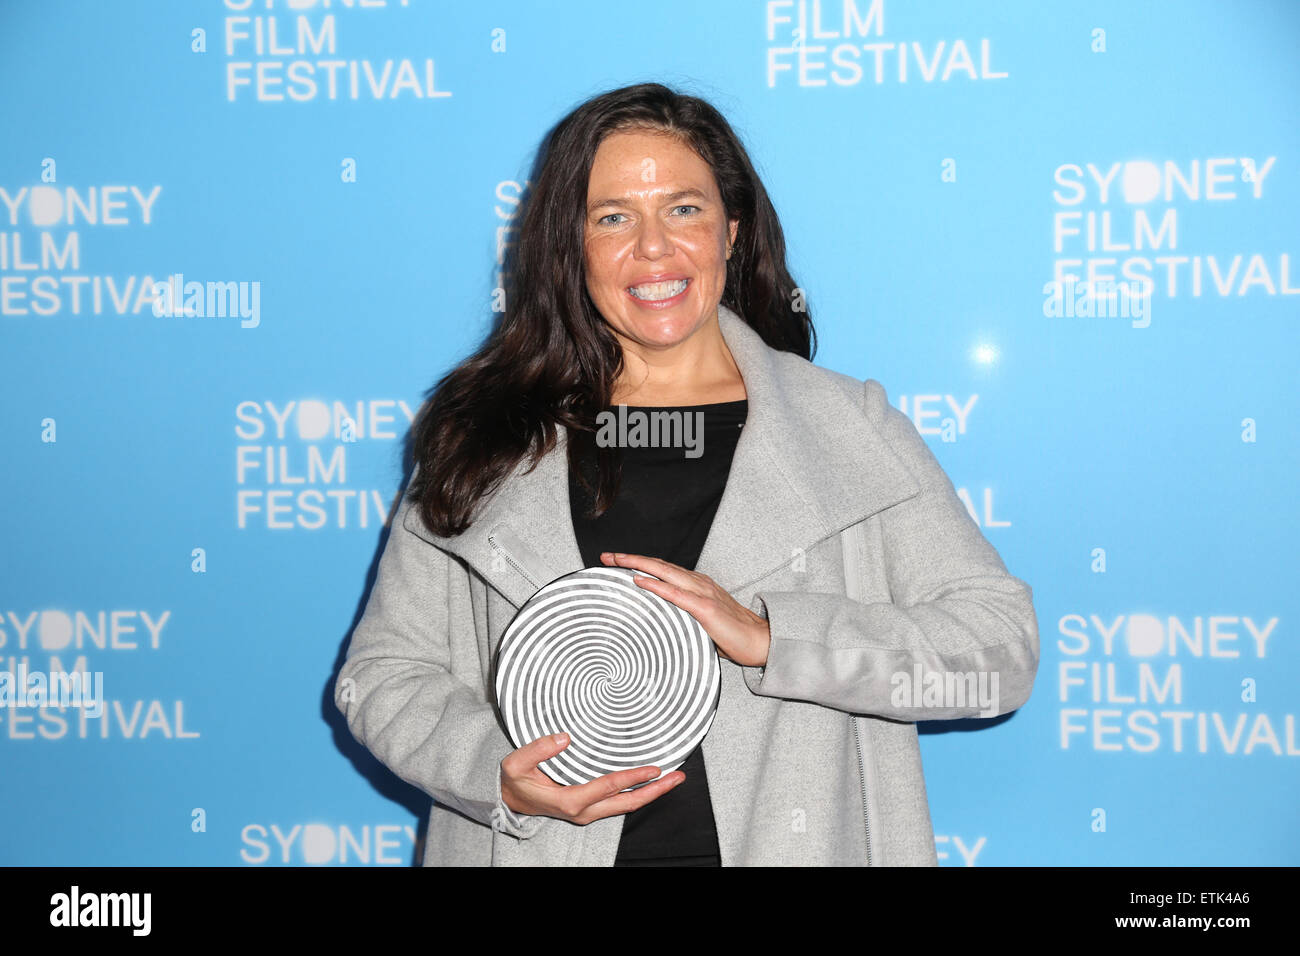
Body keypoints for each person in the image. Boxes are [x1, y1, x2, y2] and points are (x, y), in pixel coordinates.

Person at [334, 82, 1039, 866]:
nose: (653, 249)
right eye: (612, 218)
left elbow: (998, 654)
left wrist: (777, 637)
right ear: (571, 245)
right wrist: (495, 775)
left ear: (733, 231)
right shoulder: (486, 435)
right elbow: (384, 676)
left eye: (684, 209)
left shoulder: (847, 425)